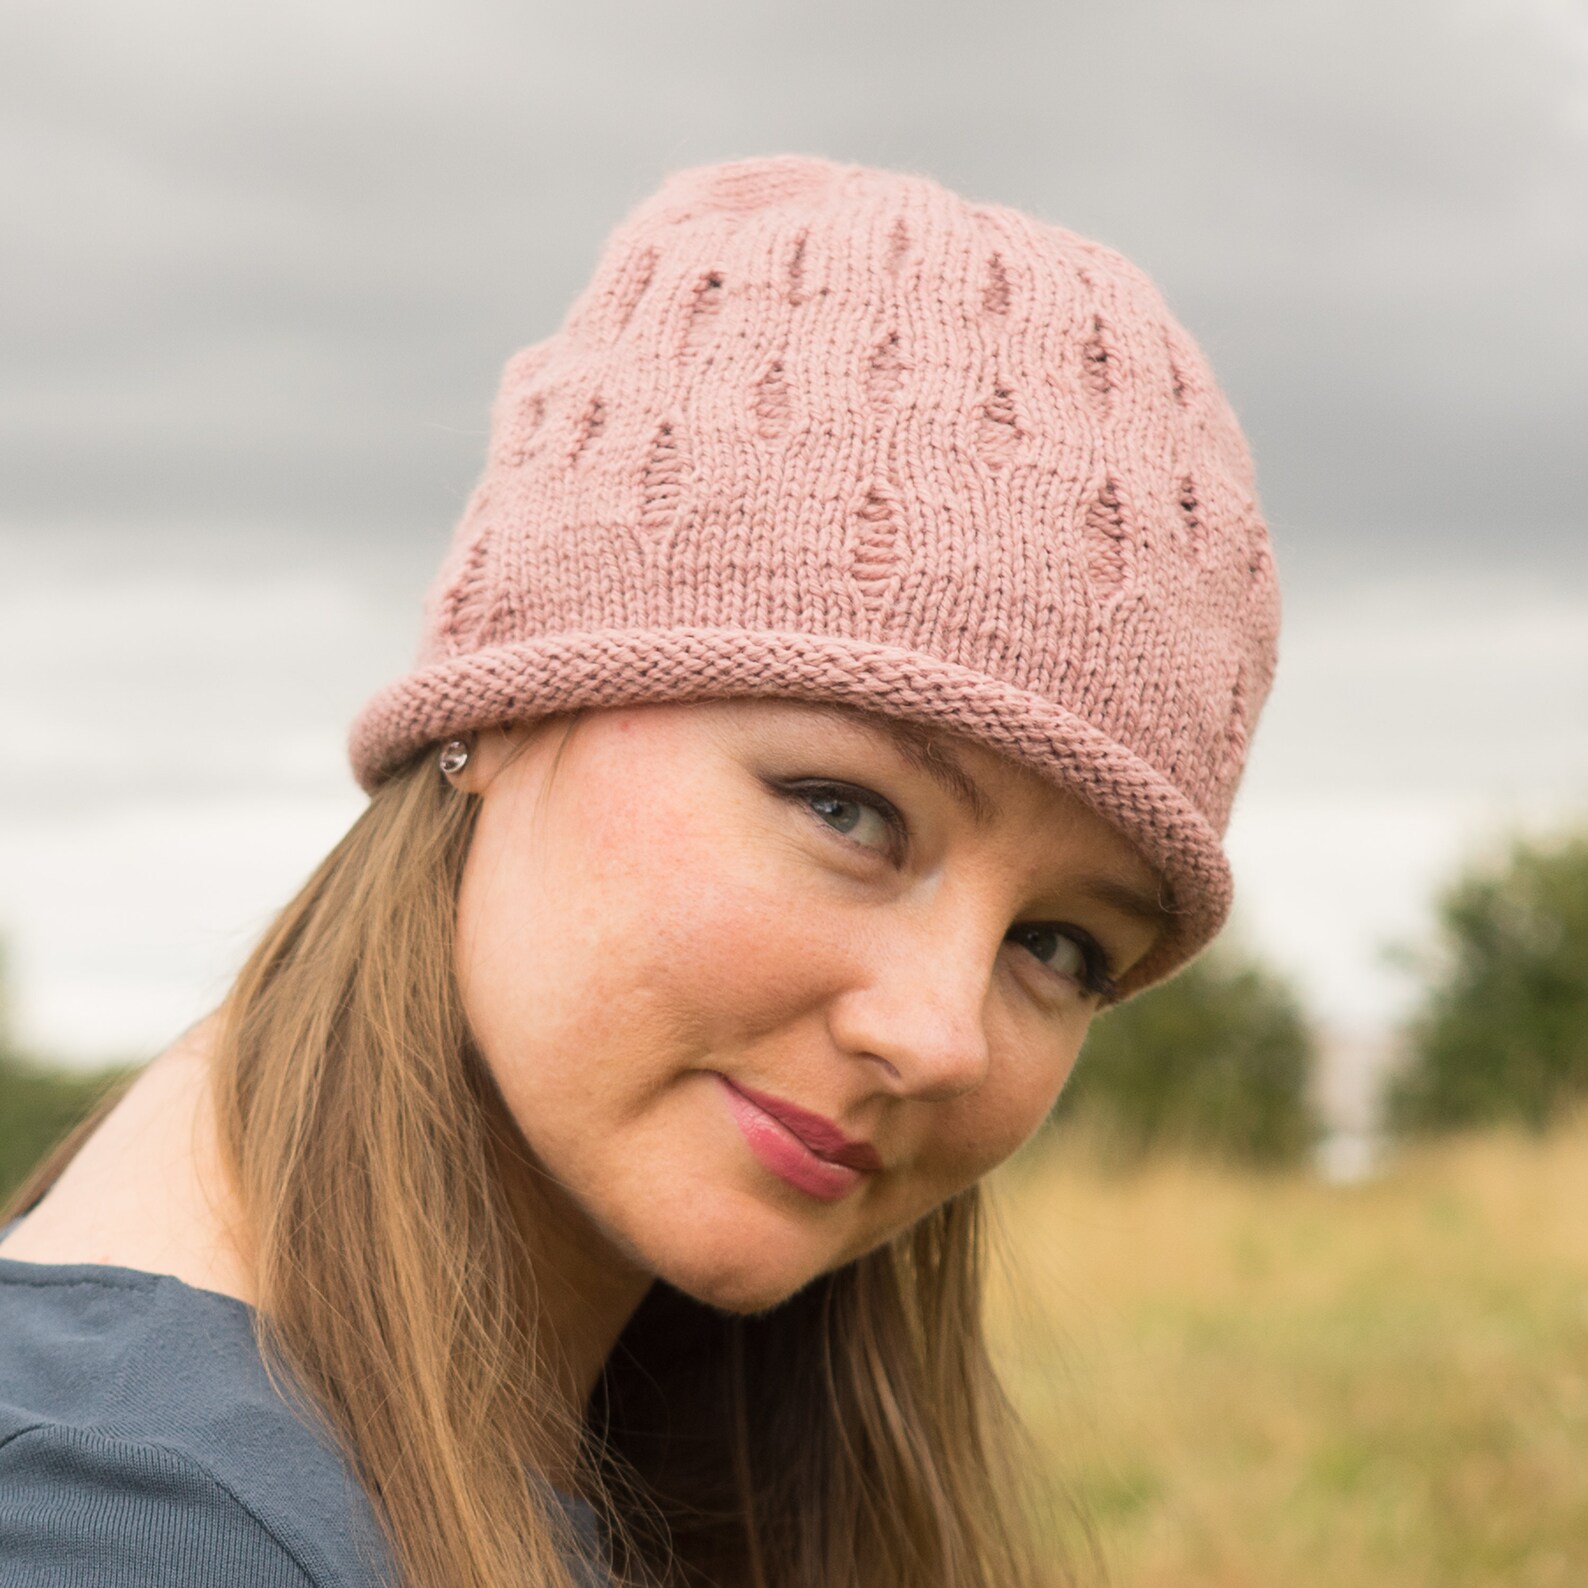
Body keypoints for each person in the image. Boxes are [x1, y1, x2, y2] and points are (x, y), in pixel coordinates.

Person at [0, 154, 1279, 1588]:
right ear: (495, 709)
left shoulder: (575, 1441)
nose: (937, 1035)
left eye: (1060, 949)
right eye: (845, 811)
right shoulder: (132, 1528)